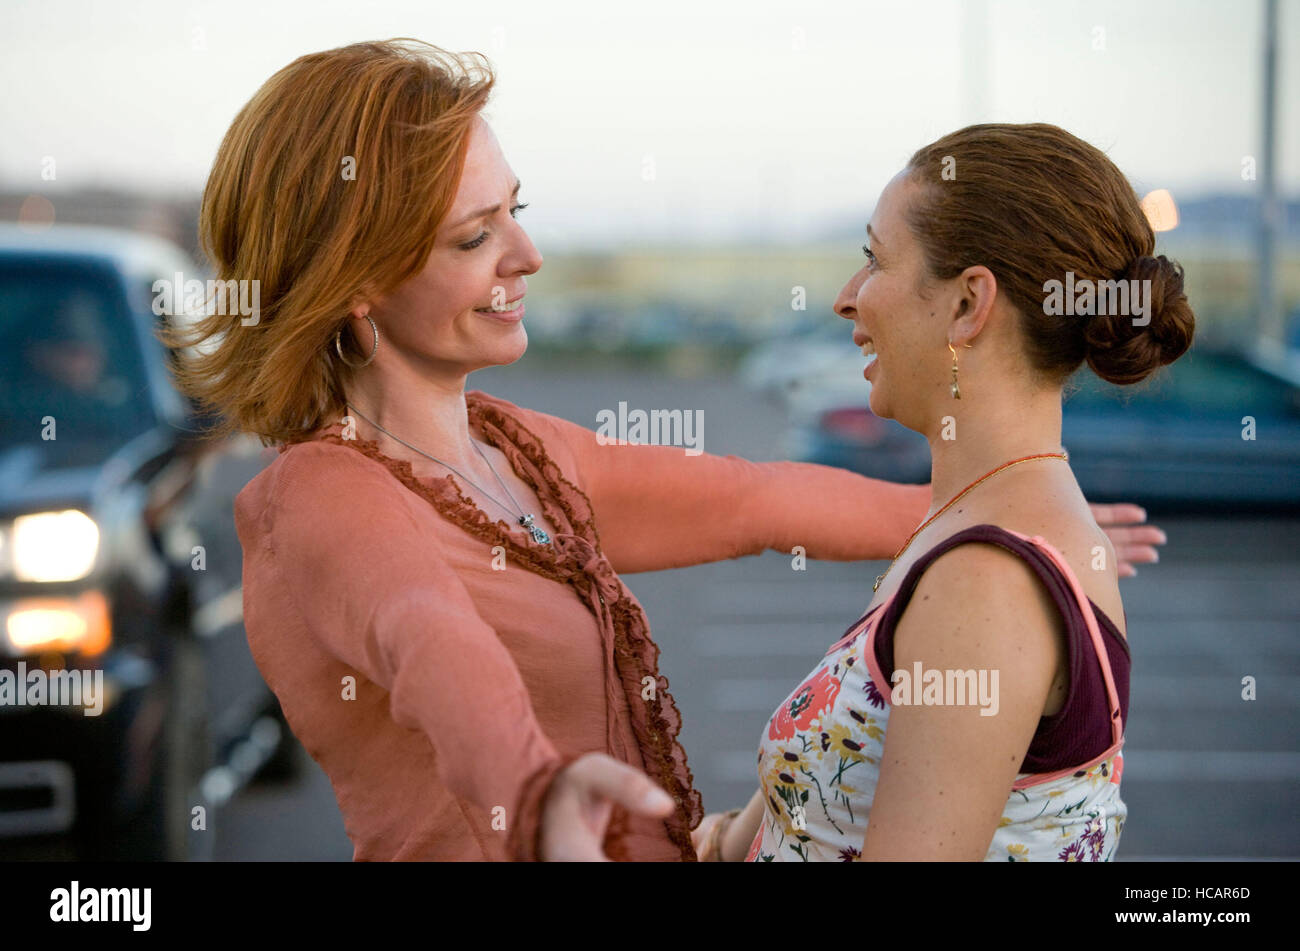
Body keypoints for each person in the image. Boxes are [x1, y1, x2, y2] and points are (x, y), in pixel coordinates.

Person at [167, 40, 1164, 861]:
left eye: (517, 210)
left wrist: (998, 524)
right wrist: (538, 789)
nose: (527, 255)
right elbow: (429, 638)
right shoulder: (318, 493)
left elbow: (752, 500)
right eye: (473, 237)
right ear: (358, 278)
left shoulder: (521, 455)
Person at [693, 123, 1193, 862]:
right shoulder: (974, 528)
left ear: (968, 305)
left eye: (874, 259)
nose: (846, 298)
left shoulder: (987, 582)